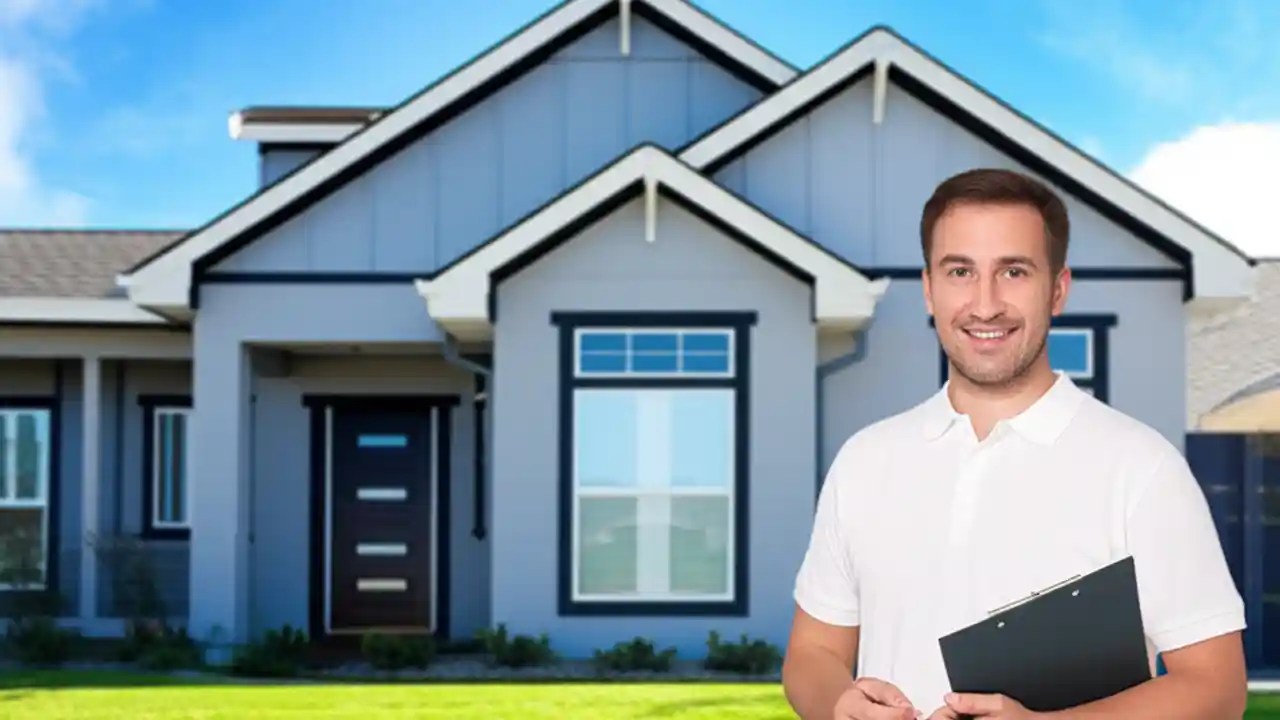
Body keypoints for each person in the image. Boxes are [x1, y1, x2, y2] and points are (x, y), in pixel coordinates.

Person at [782, 168, 1248, 719]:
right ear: (929, 290)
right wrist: (841, 705)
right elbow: (812, 653)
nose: (985, 305)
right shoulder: (864, 461)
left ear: (1057, 290)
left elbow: (1217, 690)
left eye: (1014, 272)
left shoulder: (1141, 469)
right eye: (960, 271)